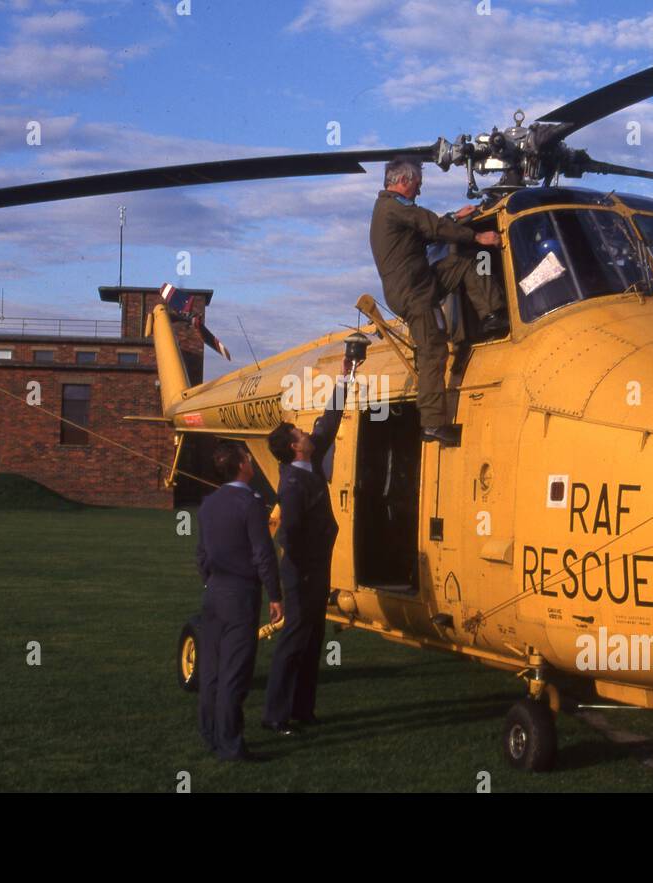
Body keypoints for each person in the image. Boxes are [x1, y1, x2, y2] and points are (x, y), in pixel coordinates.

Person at [369, 157, 508, 446]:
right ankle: (433, 425)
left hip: (421, 282)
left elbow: (424, 230)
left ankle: (492, 314)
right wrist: (477, 235)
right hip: (414, 292)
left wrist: (455, 219)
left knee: (465, 263)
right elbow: (429, 226)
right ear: (403, 182)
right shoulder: (393, 208)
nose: (418, 191)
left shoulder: (389, 210)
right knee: (433, 350)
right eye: (417, 185)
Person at [261, 365, 348, 734]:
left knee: (313, 640)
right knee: (294, 642)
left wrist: (347, 376)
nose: (307, 432)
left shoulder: (309, 462)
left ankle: (302, 709)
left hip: (314, 572)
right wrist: (303, 571)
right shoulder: (293, 483)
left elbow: (328, 423)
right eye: (300, 432)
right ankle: (274, 715)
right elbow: (287, 535)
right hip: (303, 575)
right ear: (295, 446)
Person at [195, 441, 283, 761]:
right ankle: (230, 744)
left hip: (214, 593)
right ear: (240, 467)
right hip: (240, 596)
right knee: (234, 672)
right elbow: (263, 554)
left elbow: (202, 555)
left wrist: (212, 581)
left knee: (212, 672)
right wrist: (275, 595)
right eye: (247, 458)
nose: (251, 461)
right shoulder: (250, 503)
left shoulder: (208, 505)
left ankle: (210, 734)